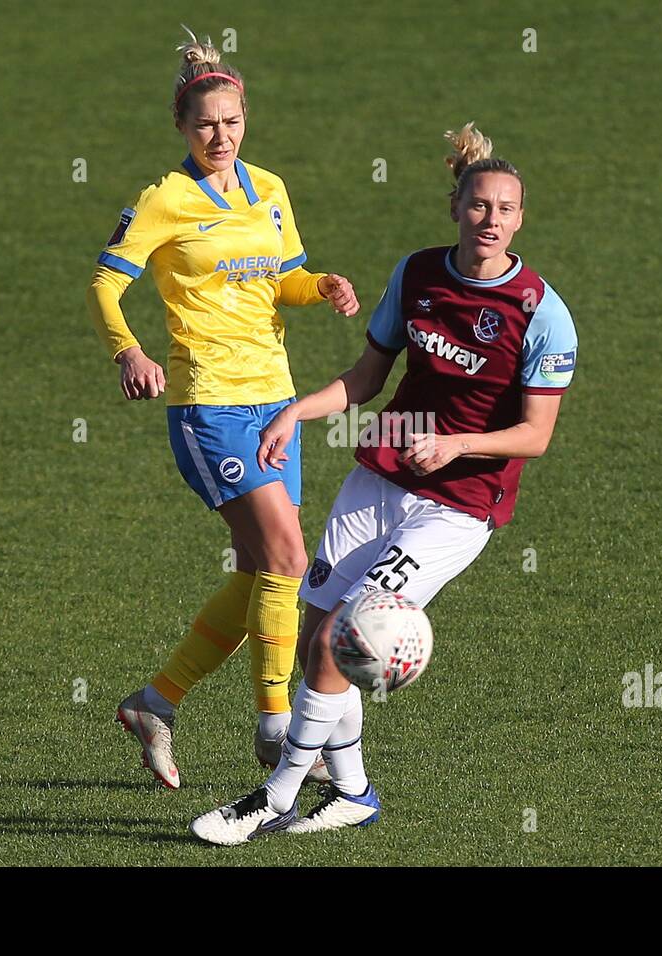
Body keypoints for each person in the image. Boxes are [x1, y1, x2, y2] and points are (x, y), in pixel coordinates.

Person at [190, 122, 578, 844]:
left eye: (504, 209)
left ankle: (274, 797)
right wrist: (297, 411)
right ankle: (354, 793)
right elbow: (368, 379)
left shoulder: (541, 313)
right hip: (382, 474)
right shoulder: (418, 274)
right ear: (455, 206)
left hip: (461, 506)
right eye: (478, 205)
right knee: (318, 635)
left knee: (347, 632)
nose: (490, 220)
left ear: (521, 218)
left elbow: (537, 435)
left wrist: (458, 444)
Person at [86, 29, 359, 789]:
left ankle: (155, 702)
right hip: (208, 403)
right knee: (289, 560)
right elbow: (105, 285)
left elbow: (287, 277)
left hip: (275, 398)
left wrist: (323, 285)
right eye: (206, 124)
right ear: (182, 127)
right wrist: (128, 352)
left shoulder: (268, 189)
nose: (221, 136)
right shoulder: (163, 201)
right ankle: (277, 729)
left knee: (259, 573)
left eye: (232, 122)